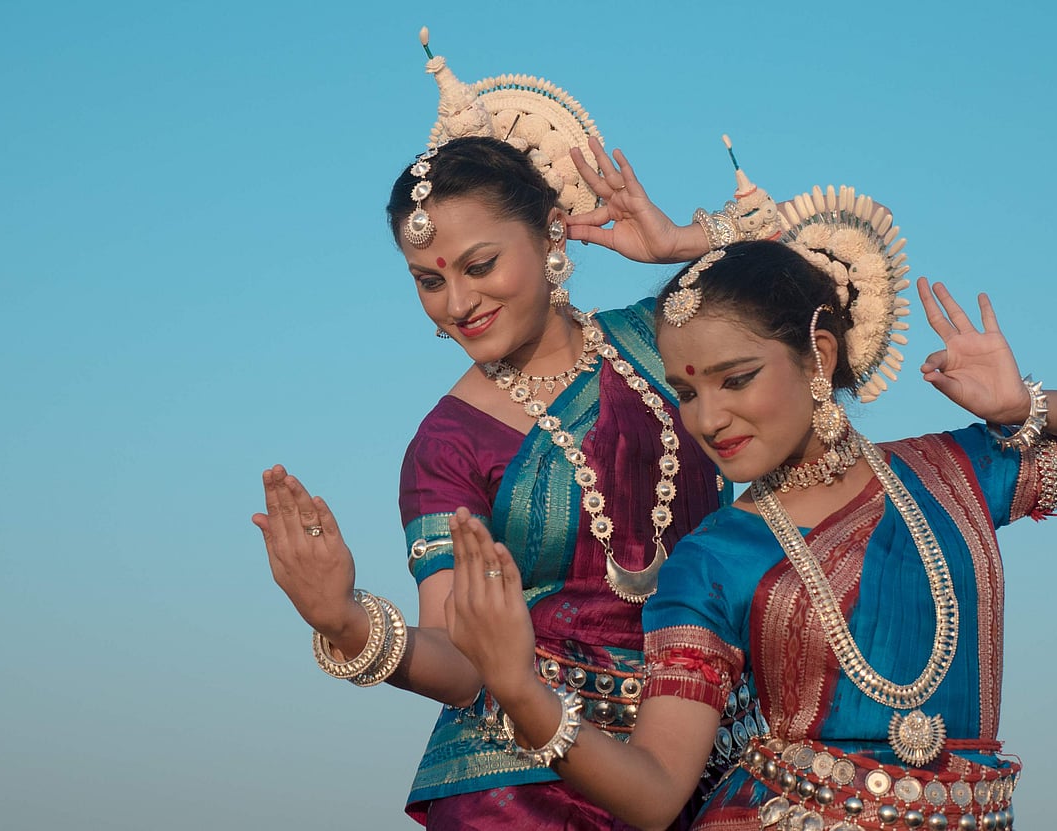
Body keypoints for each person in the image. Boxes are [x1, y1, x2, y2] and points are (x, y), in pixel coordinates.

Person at [443, 237, 1057, 830]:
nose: (707, 418)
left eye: (736, 378)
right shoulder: (710, 559)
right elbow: (657, 789)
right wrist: (518, 687)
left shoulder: (952, 470)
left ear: (818, 355)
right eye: (686, 390)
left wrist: (1023, 403)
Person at [252, 36, 774, 830]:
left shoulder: (663, 340)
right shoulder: (447, 445)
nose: (457, 301)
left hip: (717, 755)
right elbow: (460, 657)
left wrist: (681, 245)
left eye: (479, 263)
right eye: (430, 281)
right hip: (524, 781)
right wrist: (346, 619)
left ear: (553, 236)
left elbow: (824, 295)